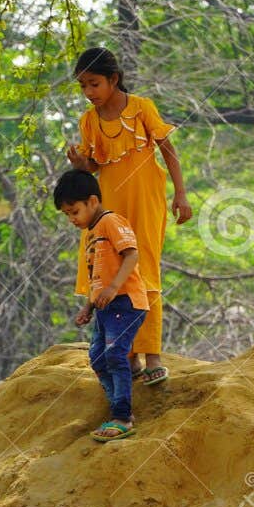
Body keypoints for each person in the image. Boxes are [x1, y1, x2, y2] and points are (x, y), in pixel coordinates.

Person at [65, 47, 190, 386]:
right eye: (83, 87)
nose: (89, 93)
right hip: (109, 204)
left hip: (146, 200)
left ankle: (153, 357)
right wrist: (81, 166)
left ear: (113, 80)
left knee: (143, 269)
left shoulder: (141, 109)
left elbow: (169, 152)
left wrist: (180, 194)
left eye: (94, 84)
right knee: (107, 267)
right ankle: (127, 355)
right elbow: (95, 164)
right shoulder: (88, 121)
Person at [54, 169, 148, 442]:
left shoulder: (111, 222)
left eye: (74, 211)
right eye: (67, 215)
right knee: (97, 357)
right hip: (106, 306)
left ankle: (123, 417)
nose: (72, 219)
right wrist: (89, 307)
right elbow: (97, 275)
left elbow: (131, 254)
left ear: (92, 201)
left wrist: (114, 287)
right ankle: (117, 402)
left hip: (127, 301)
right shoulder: (91, 233)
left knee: (114, 355)